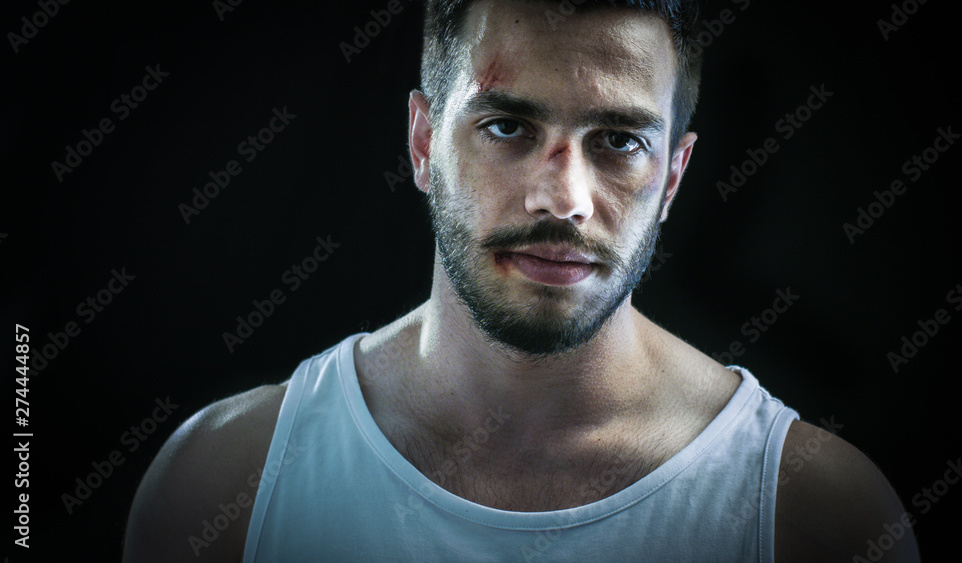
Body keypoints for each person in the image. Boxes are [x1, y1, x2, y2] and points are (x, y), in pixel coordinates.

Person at [123, 1, 920, 561]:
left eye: (617, 140)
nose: (562, 199)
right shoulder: (223, 484)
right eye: (508, 126)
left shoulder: (819, 518)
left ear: (674, 178)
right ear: (423, 143)